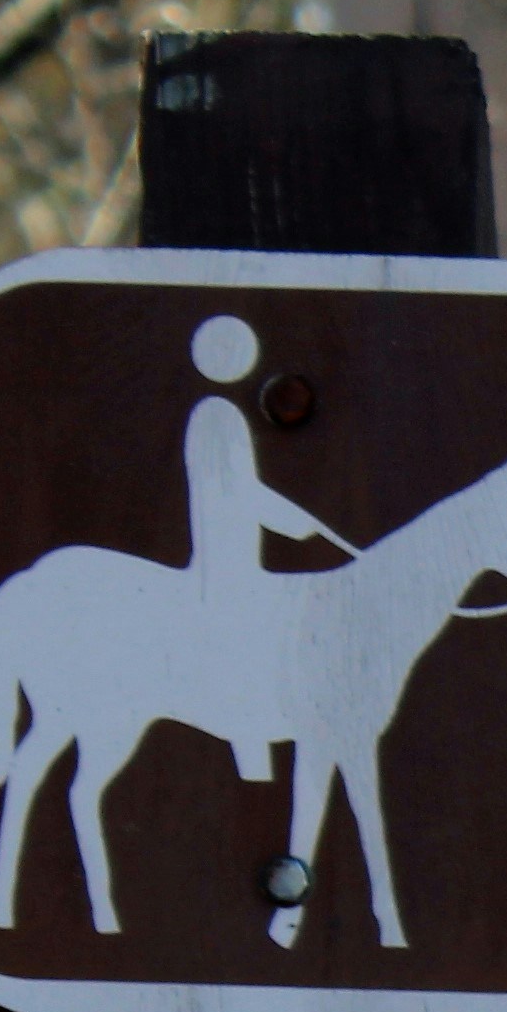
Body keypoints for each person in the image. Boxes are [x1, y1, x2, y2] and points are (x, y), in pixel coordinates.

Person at [178, 312, 352, 783]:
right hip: (224, 554)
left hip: (240, 551)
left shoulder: (226, 413)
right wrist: (299, 524)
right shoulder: (216, 415)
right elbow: (234, 490)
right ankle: (252, 752)